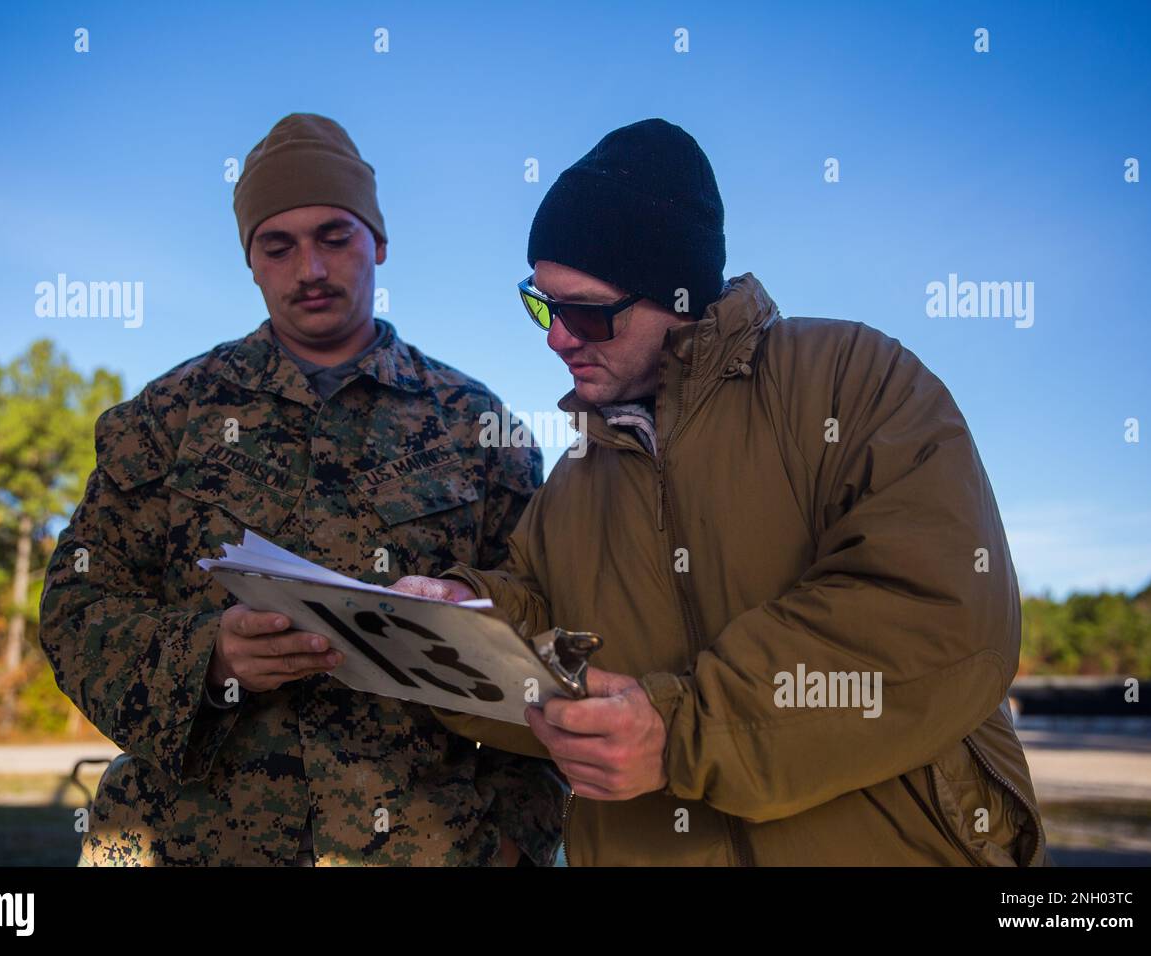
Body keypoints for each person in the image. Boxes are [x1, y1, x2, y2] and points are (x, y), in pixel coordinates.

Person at [393, 118, 1051, 866]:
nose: (556, 338)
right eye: (540, 304)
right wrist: (454, 622)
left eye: (584, 311)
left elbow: (940, 616)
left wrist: (680, 733)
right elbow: (548, 643)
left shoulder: (853, 381)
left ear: (676, 291)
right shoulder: (574, 479)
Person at [39, 113, 563, 866]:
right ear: (250, 261)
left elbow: (547, 636)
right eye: (278, 246)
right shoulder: (166, 417)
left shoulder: (477, 427)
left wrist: (517, 840)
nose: (310, 269)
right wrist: (209, 657)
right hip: (189, 844)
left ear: (378, 243)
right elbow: (74, 611)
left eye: (334, 237)